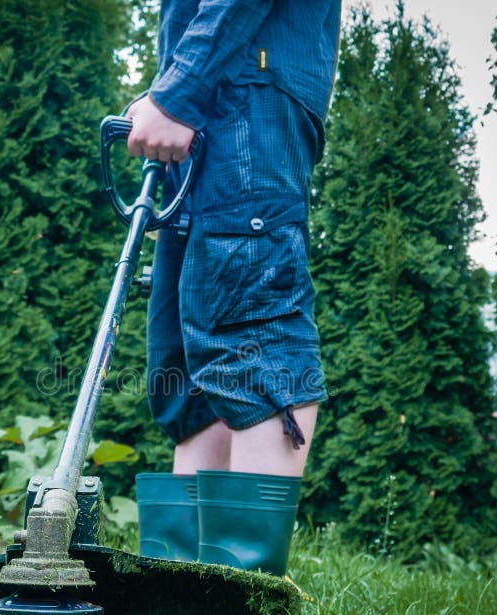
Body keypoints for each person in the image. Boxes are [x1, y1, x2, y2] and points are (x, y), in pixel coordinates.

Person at [129, 1, 341, 575]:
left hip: (250, 82)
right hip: (207, 100)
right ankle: (178, 591)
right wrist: (174, 89)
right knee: (185, 362)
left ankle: (246, 595)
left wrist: (180, 91)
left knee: (250, 326)